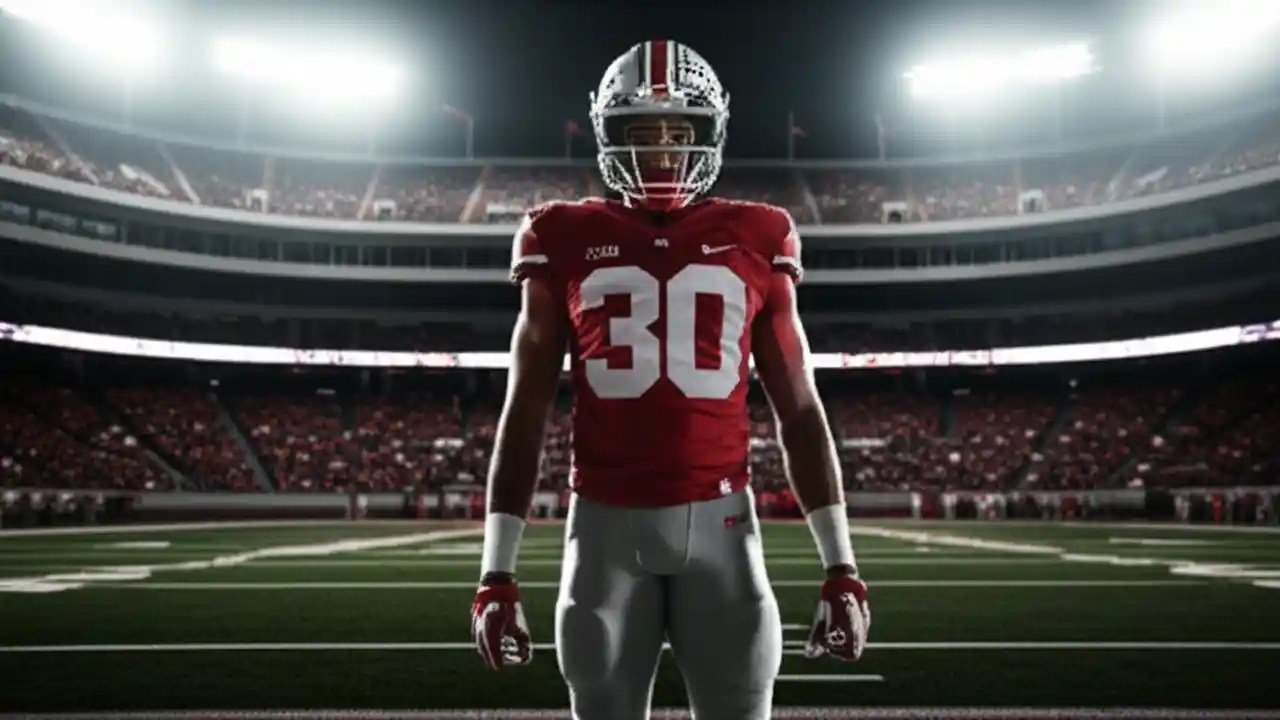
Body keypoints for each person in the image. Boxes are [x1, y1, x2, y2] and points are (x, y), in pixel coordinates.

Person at [470, 40, 871, 720]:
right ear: (608, 135)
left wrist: (842, 566)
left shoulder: (761, 231)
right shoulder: (557, 231)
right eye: (640, 131)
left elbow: (799, 409)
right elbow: (526, 409)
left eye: (678, 132)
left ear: (708, 134)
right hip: (600, 527)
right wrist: (496, 573)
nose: (660, 149)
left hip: (723, 524)